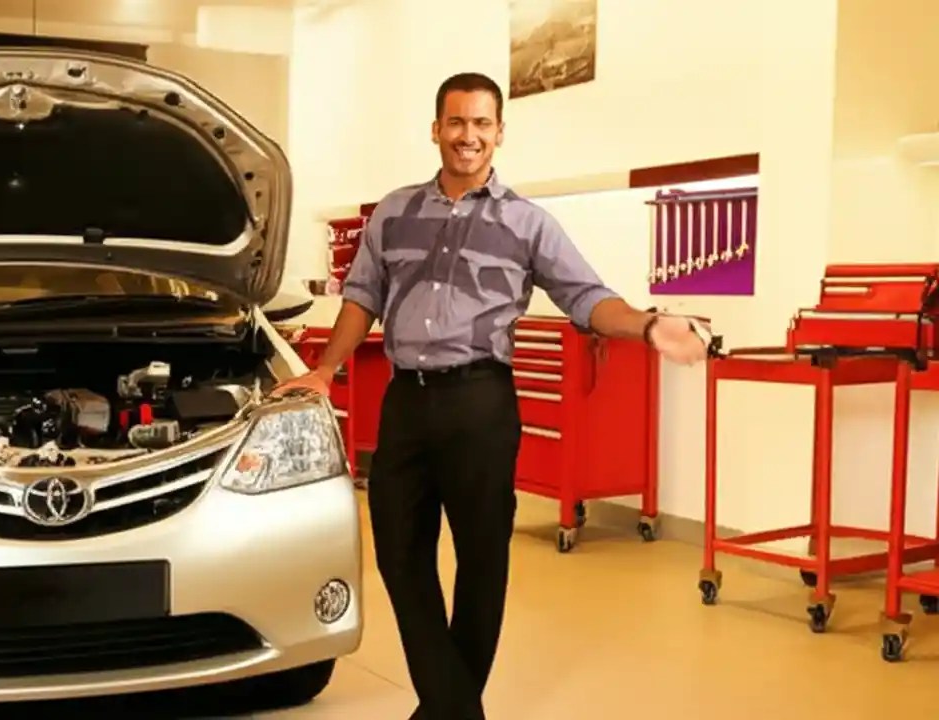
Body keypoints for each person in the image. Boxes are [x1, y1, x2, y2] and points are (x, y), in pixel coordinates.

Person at [273, 71, 710, 719]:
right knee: (398, 552)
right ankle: (456, 708)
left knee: (481, 562)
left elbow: (587, 297)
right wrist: (326, 369)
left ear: (499, 132)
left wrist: (647, 325)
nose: (468, 135)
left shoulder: (527, 222)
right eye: (456, 122)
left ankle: (445, 709)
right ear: (436, 129)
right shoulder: (394, 212)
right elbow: (363, 296)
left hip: (480, 403)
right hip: (407, 401)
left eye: (481, 123)